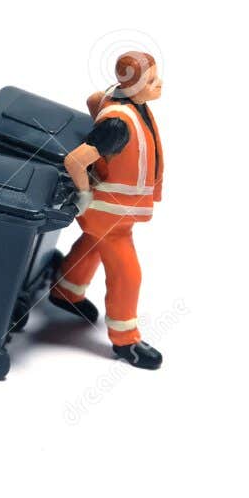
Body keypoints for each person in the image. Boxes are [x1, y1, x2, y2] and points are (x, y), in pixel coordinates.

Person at [48, 51, 165, 369]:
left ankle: (65, 291)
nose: (159, 84)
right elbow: (74, 161)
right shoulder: (118, 125)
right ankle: (126, 341)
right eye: (152, 81)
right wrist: (84, 193)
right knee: (128, 274)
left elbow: (93, 99)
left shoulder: (121, 100)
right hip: (106, 210)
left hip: (112, 212)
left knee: (93, 245)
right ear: (134, 85)